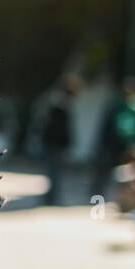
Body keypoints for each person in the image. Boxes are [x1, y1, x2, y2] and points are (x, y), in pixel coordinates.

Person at [40, 74, 78, 205]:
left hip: (55, 144)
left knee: (54, 172)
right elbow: (58, 128)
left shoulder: (57, 105)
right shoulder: (59, 106)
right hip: (54, 144)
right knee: (54, 172)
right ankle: (51, 198)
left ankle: (52, 198)